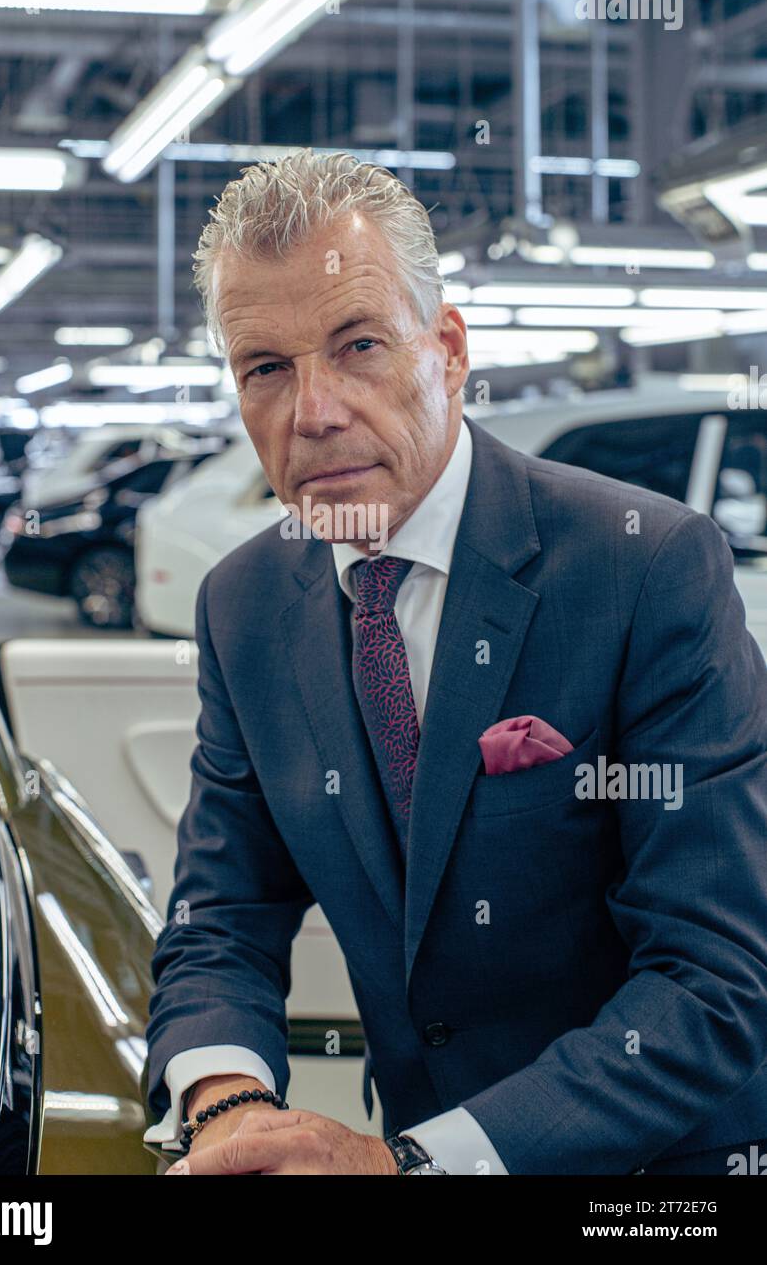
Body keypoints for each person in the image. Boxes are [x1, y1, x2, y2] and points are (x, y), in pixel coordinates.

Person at [144, 150, 767, 1176]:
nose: (313, 411)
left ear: (445, 350)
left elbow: (713, 976)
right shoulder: (245, 604)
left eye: (357, 346)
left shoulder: (642, 565)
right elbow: (223, 911)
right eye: (265, 367)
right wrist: (228, 1104)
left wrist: (416, 1165)